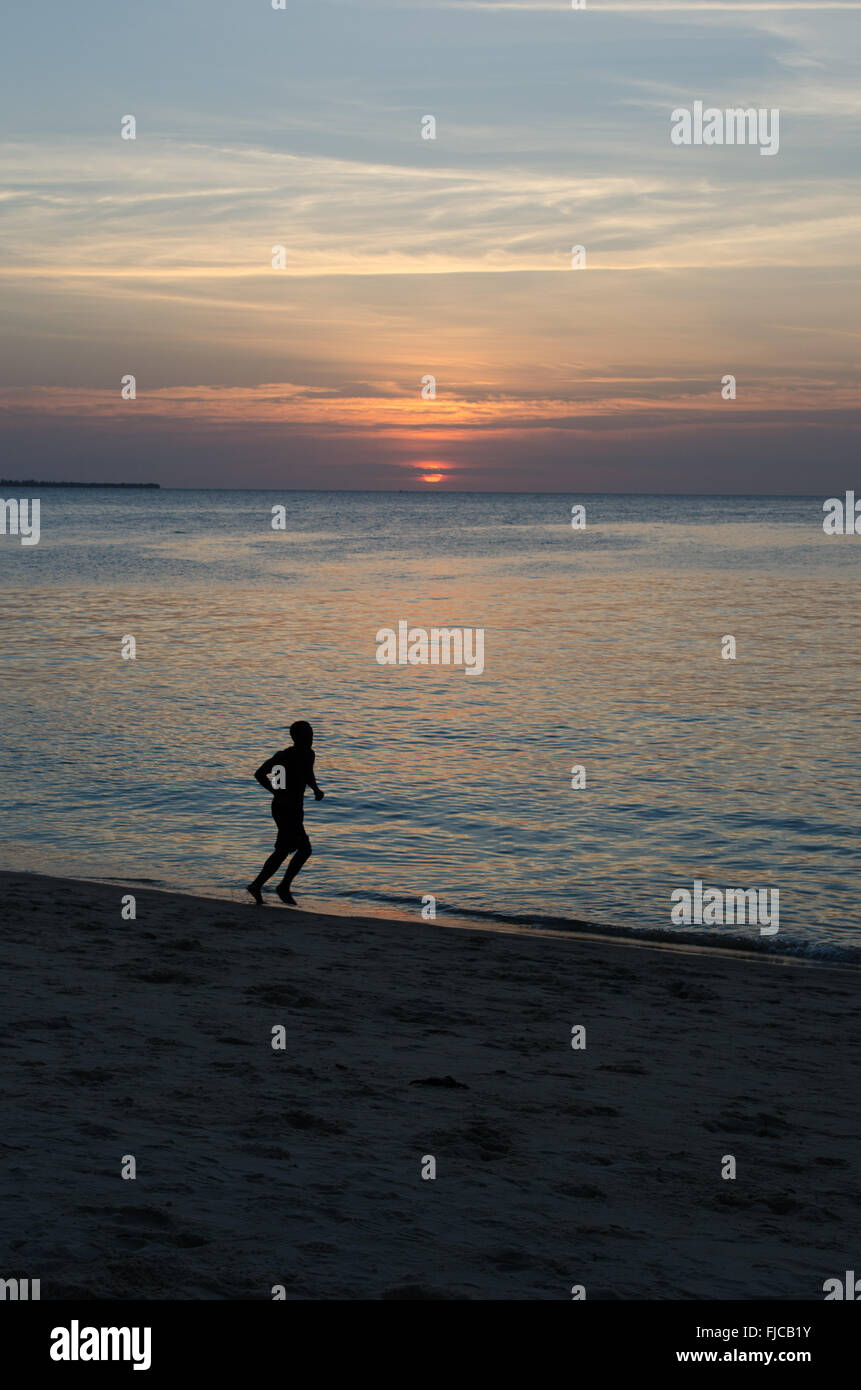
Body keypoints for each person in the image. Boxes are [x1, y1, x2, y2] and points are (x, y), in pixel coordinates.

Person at [246, 720, 324, 906]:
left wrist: (315, 789)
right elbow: (260, 774)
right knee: (304, 849)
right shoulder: (284, 756)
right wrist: (276, 791)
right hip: (283, 808)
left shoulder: (309, 754)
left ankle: (257, 885)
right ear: (296, 737)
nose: (311, 738)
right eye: (308, 735)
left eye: (312, 735)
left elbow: (308, 774)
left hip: (297, 807)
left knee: (283, 851)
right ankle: (283, 887)